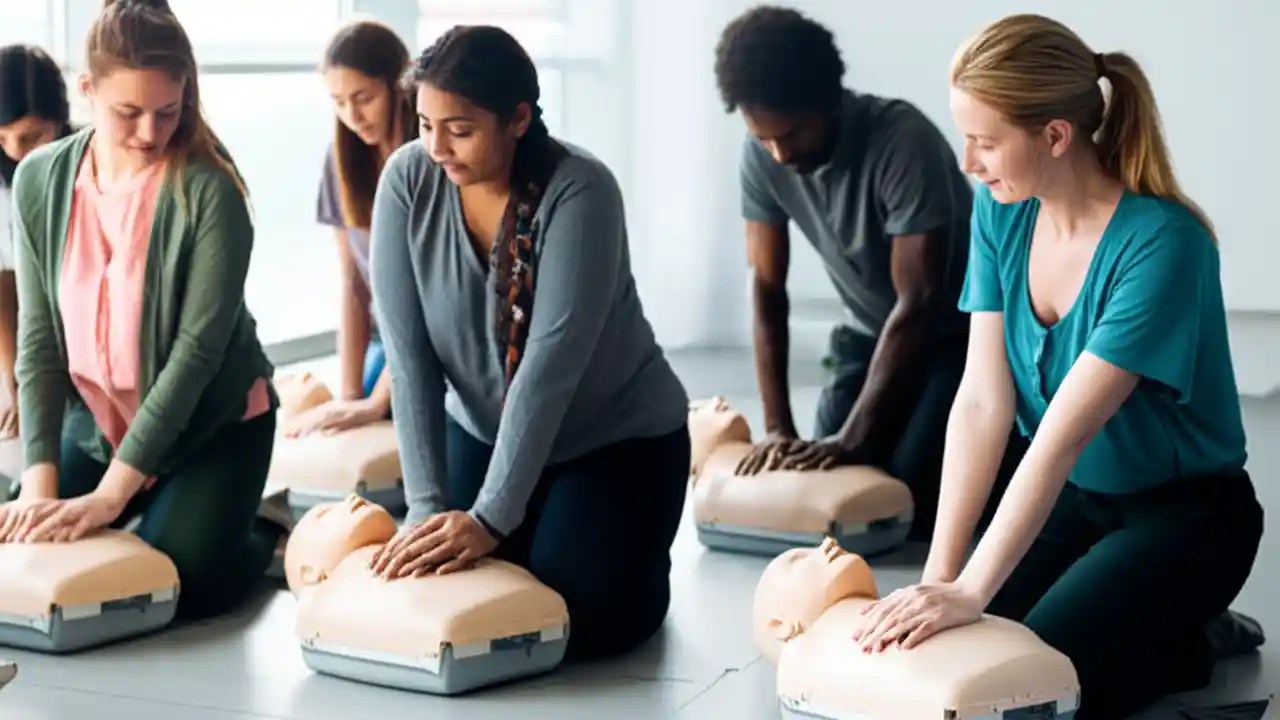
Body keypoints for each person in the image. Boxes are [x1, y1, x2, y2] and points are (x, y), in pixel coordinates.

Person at [850, 14, 1265, 720]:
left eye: (984, 143)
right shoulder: (1001, 211)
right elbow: (983, 400)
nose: (967, 164)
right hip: (1074, 503)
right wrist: (942, 580)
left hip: (1187, 519)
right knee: (960, 647)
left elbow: (1060, 435)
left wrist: (974, 590)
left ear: (1055, 136)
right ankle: (1141, 618)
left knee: (1033, 683)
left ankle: (1191, 638)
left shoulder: (1165, 244)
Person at [365, 25, 691, 661]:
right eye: (425, 124)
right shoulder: (407, 179)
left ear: (518, 118)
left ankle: (635, 560)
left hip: (614, 439)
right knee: (453, 578)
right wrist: (428, 508)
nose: (436, 147)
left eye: (459, 129)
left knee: (577, 612)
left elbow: (549, 367)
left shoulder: (582, 191)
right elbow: (408, 360)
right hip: (484, 434)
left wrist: (489, 519)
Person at [0, 0, 285, 622]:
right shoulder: (40, 180)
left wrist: (108, 498)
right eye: (127, 113)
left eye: (168, 111)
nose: (151, 132)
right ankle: (139, 504)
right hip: (100, 426)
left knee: (178, 578)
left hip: (212, 425)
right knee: (24, 520)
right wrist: (40, 485)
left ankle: (264, 525)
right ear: (87, 91)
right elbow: (40, 339)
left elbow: (195, 359)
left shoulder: (212, 191)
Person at [713, 6, 979, 539]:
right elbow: (767, 288)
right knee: (832, 486)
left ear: (829, 100)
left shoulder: (904, 141)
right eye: (764, 139)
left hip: (956, 341)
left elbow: (920, 304)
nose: (780, 154)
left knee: (900, 498)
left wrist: (854, 438)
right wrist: (777, 428)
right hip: (866, 337)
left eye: (791, 133)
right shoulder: (762, 154)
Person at [284, 19, 417, 438]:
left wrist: (375, 403)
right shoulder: (340, 160)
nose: (352, 115)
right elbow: (352, 284)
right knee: (304, 408)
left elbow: (429, 308)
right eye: (339, 101)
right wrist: (348, 394)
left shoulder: (429, 163)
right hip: (386, 341)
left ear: (399, 86)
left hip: (434, 347)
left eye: (363, 98)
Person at [0, 45, 75, 442]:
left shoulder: (88, 166)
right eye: (3, 137)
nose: (15, 151)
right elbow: (5, 286)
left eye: (30, 137)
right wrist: (16, 383)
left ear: (60, 121)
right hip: (29, 334)